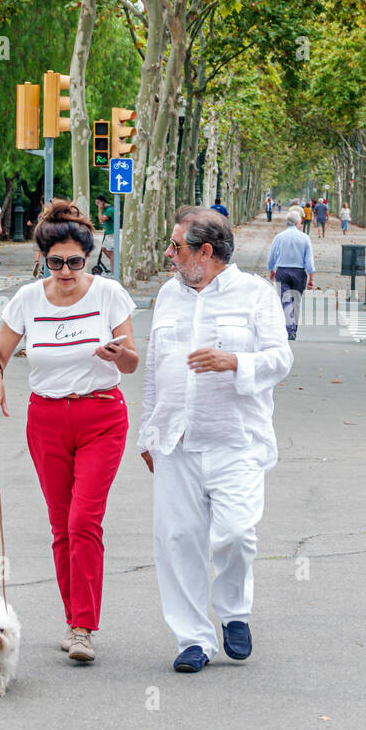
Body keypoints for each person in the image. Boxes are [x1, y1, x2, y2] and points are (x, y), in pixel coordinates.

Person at [0, 202, 138, 665]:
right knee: (61, 526)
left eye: (76, 262)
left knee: (84, 521)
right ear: (43, 258)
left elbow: (132, 360)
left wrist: (116, 356)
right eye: (57, 262)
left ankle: (82, 627)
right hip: (46, 421)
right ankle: (72, 618)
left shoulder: (109, 295)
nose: (66, 271)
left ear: (90, 257)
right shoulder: (27, 299)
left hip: (102, 416)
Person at [137, 206, 293, 672]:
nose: (168, 253)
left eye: (176, 246)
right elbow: (154, 368)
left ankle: (234, 611)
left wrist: (235, 364)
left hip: (235, 439)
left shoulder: (255, 294)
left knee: (237, 535)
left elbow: (280, 359)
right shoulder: (168, 294)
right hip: (176, 441)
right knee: (178, 539)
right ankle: (193, 638)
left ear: (205, 252)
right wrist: (148, 431)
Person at [267, 210, 315, 341]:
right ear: (298, 223)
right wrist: (311, 278)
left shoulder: (279, 237)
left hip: (282, 271)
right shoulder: (305, 237)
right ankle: (293, 329)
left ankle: (288, 329)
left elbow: (271, 255)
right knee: (296, 302)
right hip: (299, 272)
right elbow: (309, 260)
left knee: (285, 301)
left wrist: (271, 269)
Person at [94, 195, 116, 275]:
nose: (97, 204)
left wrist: (99, 209)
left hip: (112, 233)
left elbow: (101, 219)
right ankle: (115, 263)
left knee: (111, 252)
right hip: (108, 233)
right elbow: (101, 221)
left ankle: (114, 271)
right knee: (103, 248)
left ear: (102, 202)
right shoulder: (106, 209)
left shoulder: (109, 210)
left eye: (98, 202)